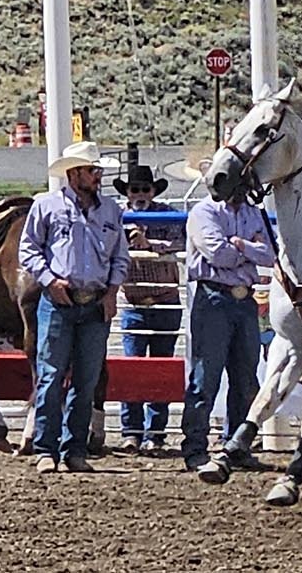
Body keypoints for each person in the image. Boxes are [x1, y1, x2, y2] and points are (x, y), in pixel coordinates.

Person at [18, 141, 129, 474]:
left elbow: (120, 256)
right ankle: (46, 448)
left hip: (95, 303)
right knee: (51, 377)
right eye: (93, 170)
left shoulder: (110, 211)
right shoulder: (45, 207)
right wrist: (50, 280)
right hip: (58, 301)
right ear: (74, 173)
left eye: (98, 171)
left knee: (87, 379)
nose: (98, 176)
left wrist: (112, 291)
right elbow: (29, 250)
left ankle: (74, 449)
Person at [181, 191, 273, 477]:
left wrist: (239, 245)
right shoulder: (203, 212)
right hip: (214, 298)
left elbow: (270, 254)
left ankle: (236, 445)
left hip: (243, 300)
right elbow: (217, 253)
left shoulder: (251, 211)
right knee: (205, 377)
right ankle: (196, 448)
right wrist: (250, 249)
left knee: (246, 376)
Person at [113, 164, 182, 453]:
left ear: (153, 191)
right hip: (135, 303)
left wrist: (148, 243)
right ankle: (131, 431)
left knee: (161, 371)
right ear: (128, 193)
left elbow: (180, 241)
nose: (140, 194)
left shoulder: (167, 214)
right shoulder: (116, 218)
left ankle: (156, 432)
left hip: (165, 300)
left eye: (145, 189)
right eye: (135, 189)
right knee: (133, 370)